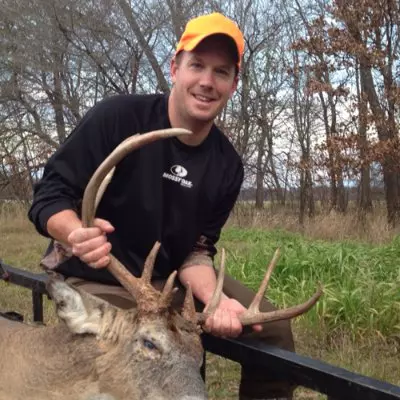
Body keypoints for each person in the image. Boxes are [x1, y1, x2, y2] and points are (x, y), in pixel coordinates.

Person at [28, 12, 295, 400]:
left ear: (233, 85)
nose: (207, 82)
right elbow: (50, 195)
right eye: (197, 66)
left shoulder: (226, 165)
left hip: (167, 281)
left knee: (269, 328)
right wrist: (74, 233)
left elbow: (196, 253)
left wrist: (218, 301)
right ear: (175, 68)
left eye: (221, 72)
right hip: (101, 276)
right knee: (149, 345)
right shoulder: (117, 118)